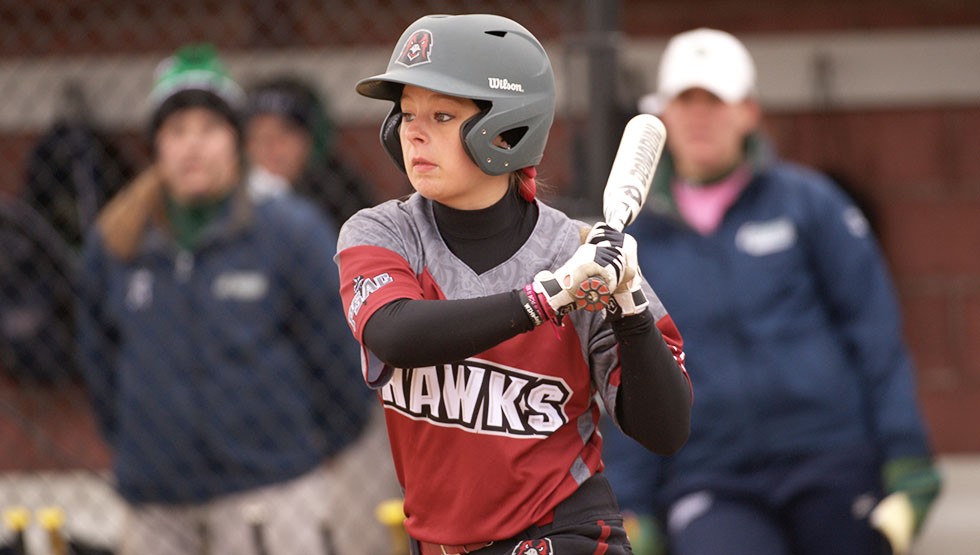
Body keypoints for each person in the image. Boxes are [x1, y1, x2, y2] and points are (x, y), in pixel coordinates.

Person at [335, 14, 693, 555]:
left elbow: (664, 429)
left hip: (560, 535)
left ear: (507, 130)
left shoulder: (573, 251)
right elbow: (395, 334)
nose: (413, 131)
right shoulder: (384, 232)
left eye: (442, 115)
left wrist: (631, 308)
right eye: (406, 114)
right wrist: (543, 299)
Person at [600, 28, 942, 555]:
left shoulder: (811, 204)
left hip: (830, 457)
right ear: (663, 114)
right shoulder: (634, 239)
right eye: (685, 101)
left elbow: (874, 333)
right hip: (708, 473)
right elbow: (628, 372)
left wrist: (908, 457)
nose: (699, 116)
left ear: (749, 112)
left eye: (715, 101)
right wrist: (632, 503)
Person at [75, 43, 374, 555]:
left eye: (209, 129)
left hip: (273, 490)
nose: (192, 146)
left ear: (235, 140)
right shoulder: (117, 242)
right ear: (156, 144)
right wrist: (140, 448)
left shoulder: (289, 231)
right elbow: (98, 362)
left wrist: (312, 449)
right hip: (157, 499)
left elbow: (338, 353)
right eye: (177, 131)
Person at [244, 75, 377, 228]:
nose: (270, 146)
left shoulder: (338, 192)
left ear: (311, 140)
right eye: (258, 135)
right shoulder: (233, 197)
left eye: (284, 133)